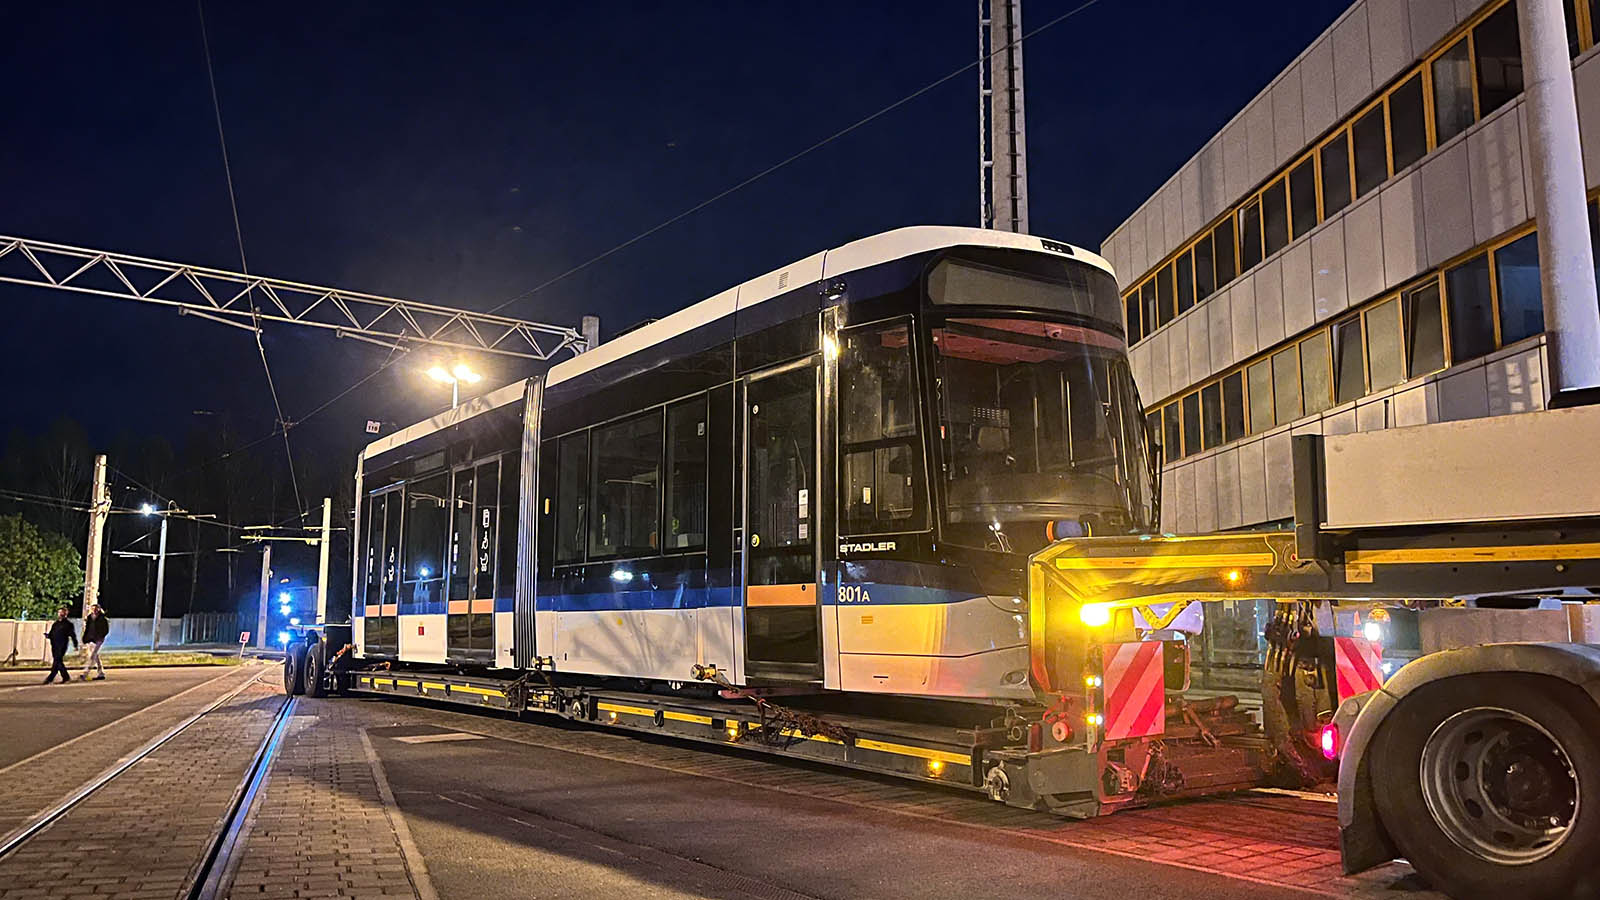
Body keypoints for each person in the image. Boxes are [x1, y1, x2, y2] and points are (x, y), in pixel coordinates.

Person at [43, 606, 78, 684]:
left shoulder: (68, 624)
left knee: (57, 660)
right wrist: (48, 636)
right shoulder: (56, 624)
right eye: (59, 612)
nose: (60, 614)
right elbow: (52, 633)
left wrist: (75, 644)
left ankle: (51, 678)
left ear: (65, 613)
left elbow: (72, 635)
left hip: (62, 644)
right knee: (57, 661)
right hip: (54, 644)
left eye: (62, 612)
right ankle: (62, 678)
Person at [81, 604, 109, 680]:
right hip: (91, 639)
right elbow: (87, 629)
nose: (94, 610)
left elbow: (106, 629)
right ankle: (101, 673)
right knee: (95, 656)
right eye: (93, 609)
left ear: (99, 609)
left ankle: (85, 673)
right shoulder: (90, 618)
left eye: (96, 609)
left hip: (99, 639)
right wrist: (85, 638)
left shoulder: (102, 618)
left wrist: (101, 635)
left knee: (93, 655)